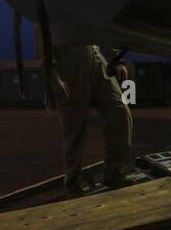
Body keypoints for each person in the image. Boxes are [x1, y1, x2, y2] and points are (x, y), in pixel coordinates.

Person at [47, 41, 134, 193]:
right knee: (75, 127)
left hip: (94, 55)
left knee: (120, 112)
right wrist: (53, 74)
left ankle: (114, 172)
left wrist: (117, 58)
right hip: (68, 61)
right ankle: (73, 183)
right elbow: (42, 30)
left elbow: (98, 26)